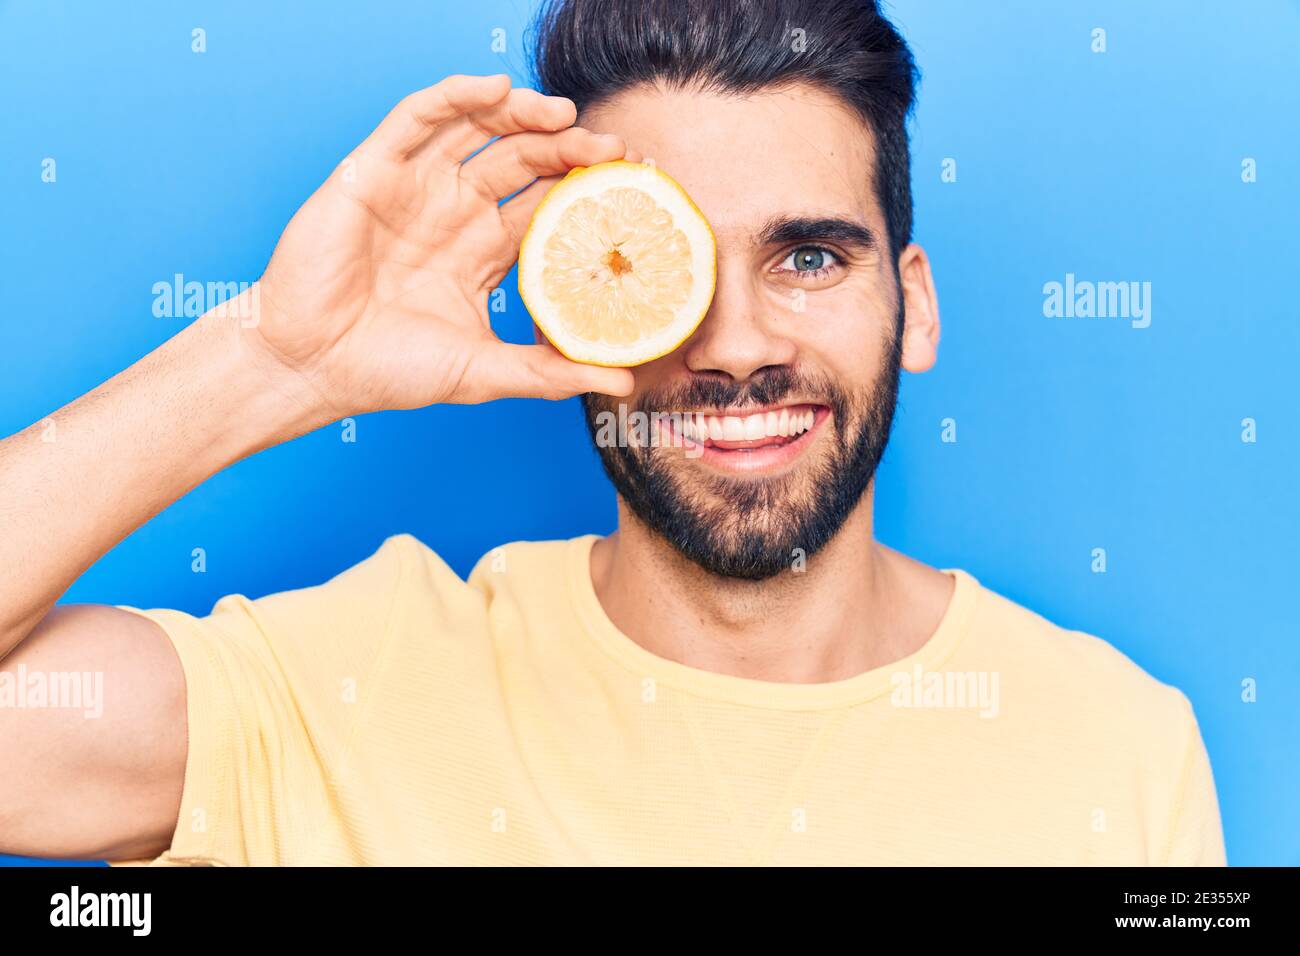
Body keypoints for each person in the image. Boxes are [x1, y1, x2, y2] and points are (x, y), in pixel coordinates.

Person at [0, 0, 1224, 865]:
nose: (737, 344)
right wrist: (272, 362)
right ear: (567, 291)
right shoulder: (328, 695)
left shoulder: (1119, 743)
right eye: (661, 261)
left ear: (913, 304)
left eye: (807, 256)